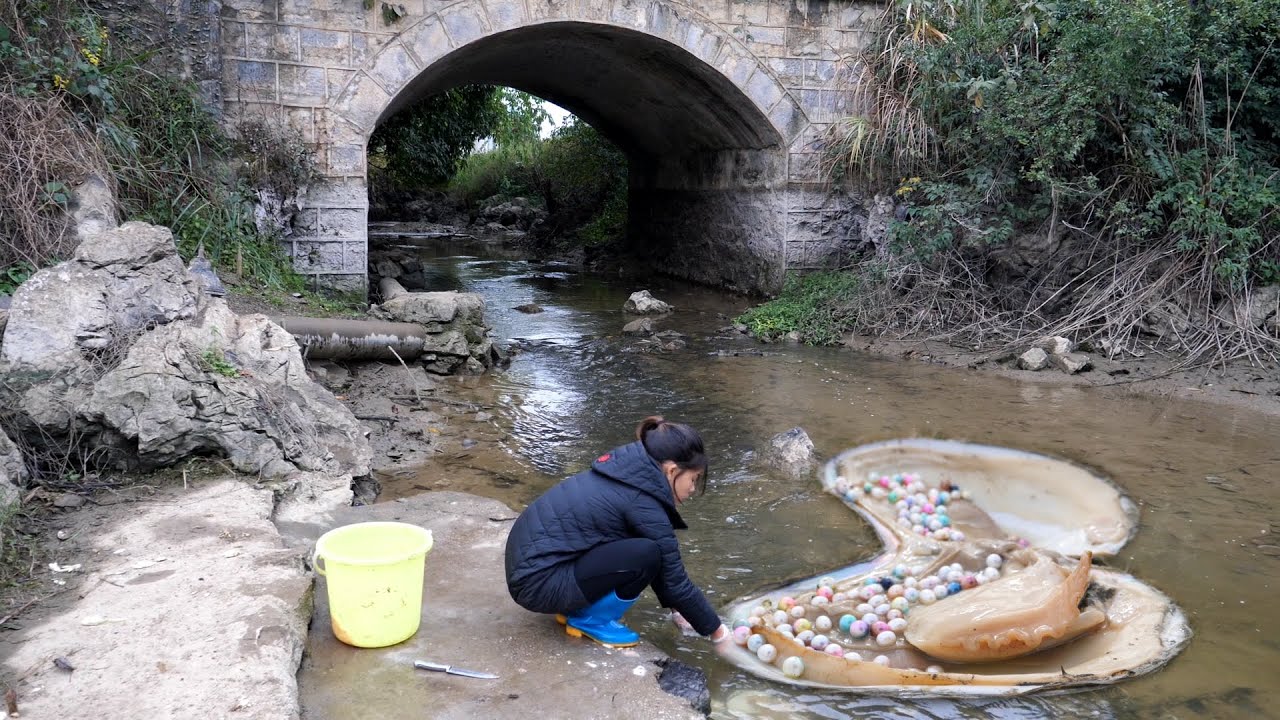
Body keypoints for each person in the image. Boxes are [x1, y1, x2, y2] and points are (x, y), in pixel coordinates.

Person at [504, 416, 731, 648]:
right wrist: (719, 635)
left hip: (534, 573)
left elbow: (666, 576)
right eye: (693, 479)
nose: (692, 489)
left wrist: (679, 610)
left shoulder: (623, 474)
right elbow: (674, 579)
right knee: (647, 553)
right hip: (539, 585)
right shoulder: (641, 502)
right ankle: (590, 619)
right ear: (672, 471)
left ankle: (578, 607)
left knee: (646, 548)